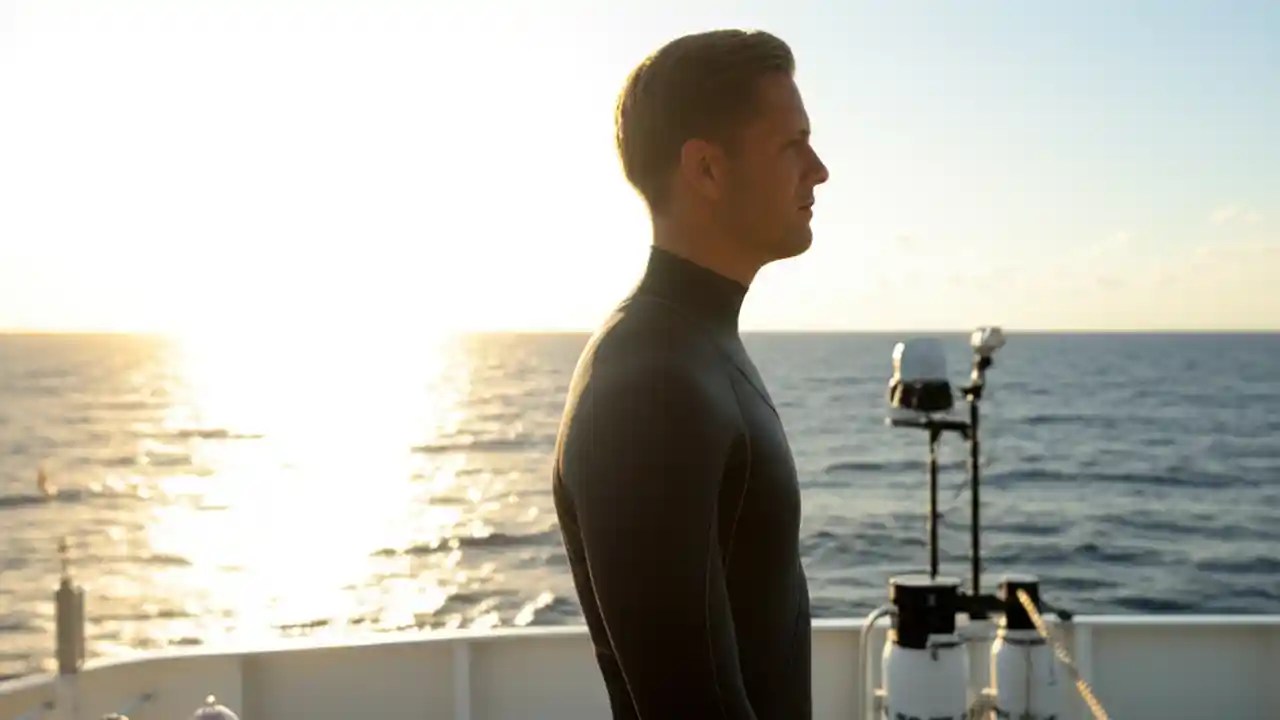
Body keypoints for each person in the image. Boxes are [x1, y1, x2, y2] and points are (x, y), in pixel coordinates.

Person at [551, 28, 829, 720]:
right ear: (706, 169)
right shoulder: (650, 386)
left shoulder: (690, 348)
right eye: (792, 143)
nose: (818, 168)